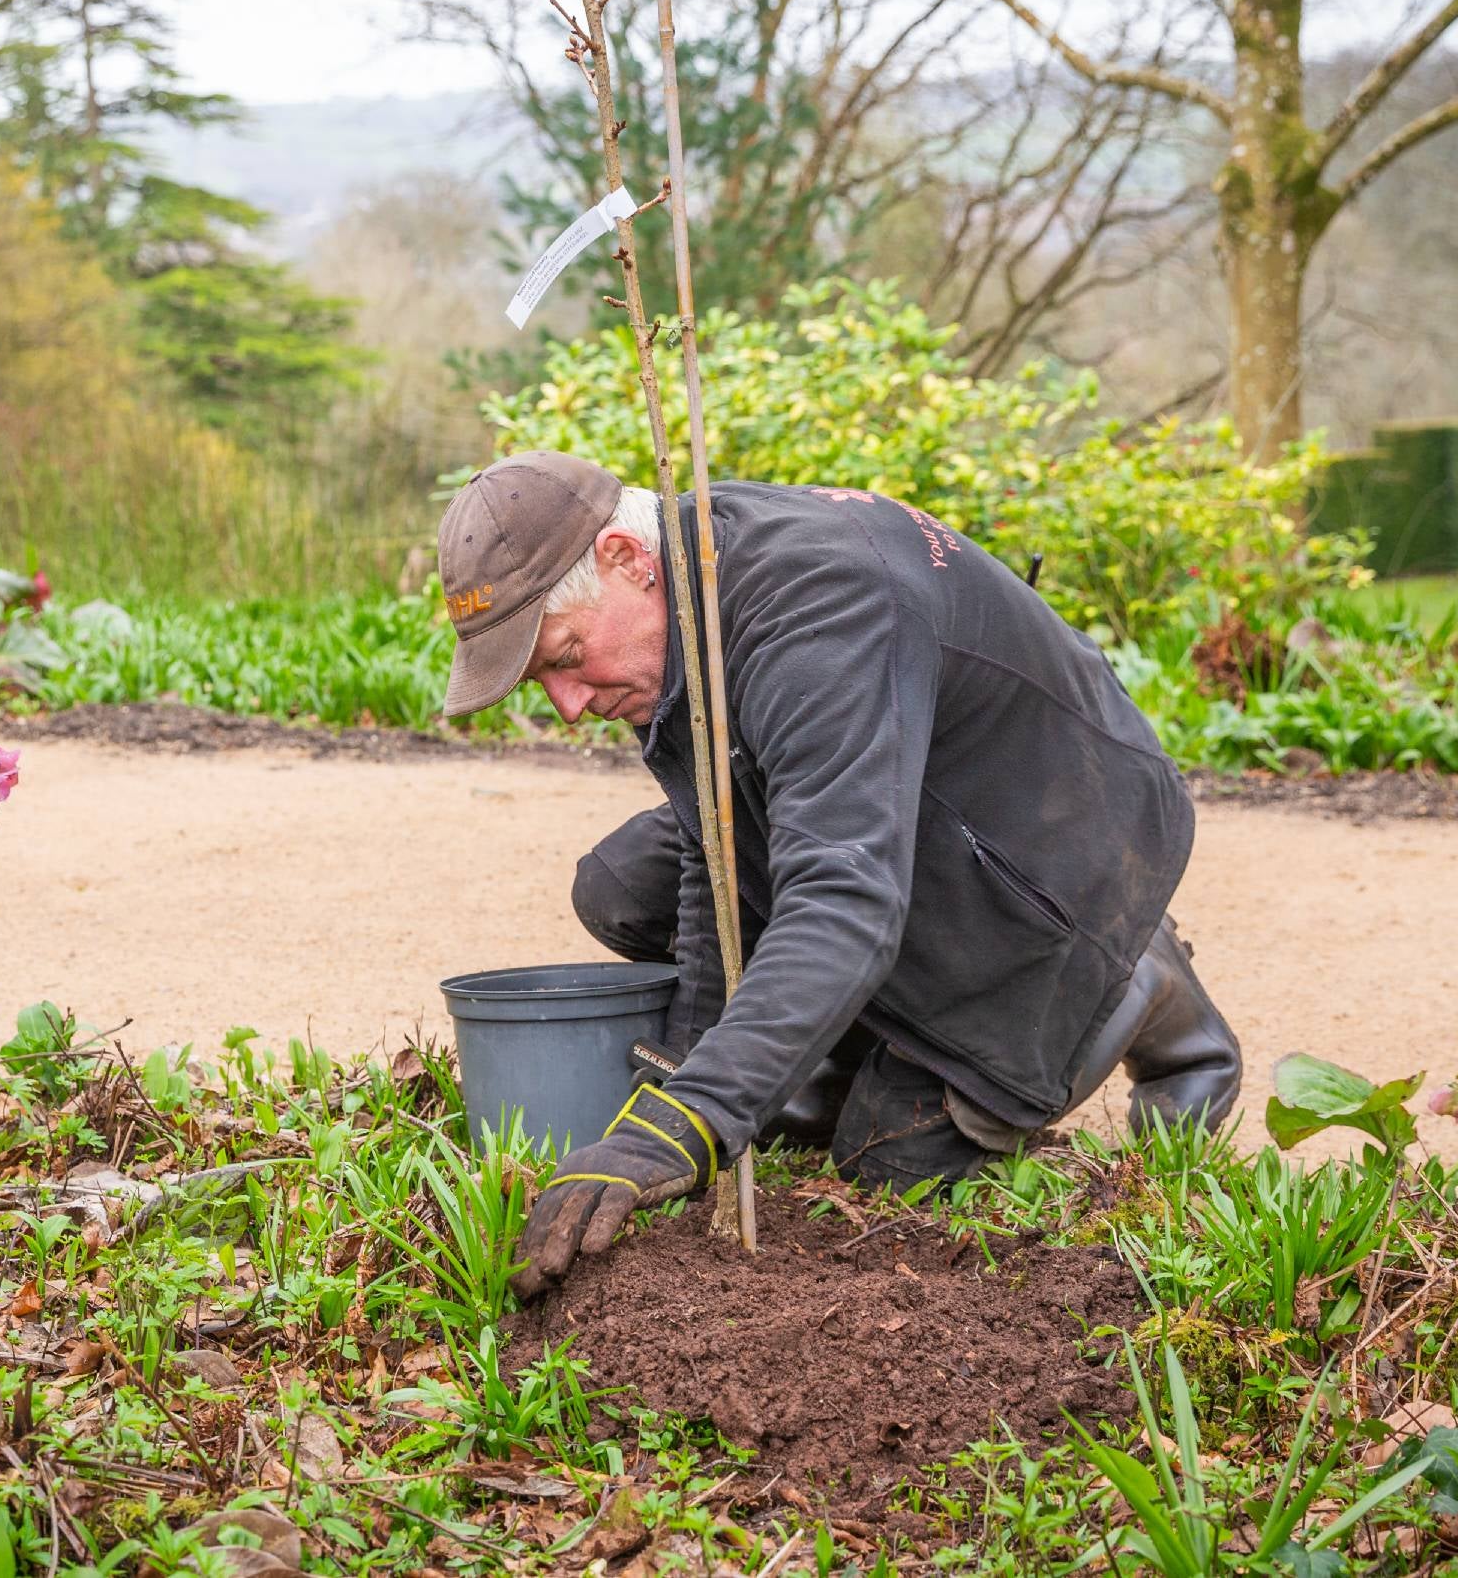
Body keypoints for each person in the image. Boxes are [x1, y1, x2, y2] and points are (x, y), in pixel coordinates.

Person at [436, 451, 1243, 1297]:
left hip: (1054, 846)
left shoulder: (818, 610)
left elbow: (843, 899)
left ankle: (1130, 969)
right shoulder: (683, 590)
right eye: (543, 680)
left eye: (564, 655)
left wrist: (684, 1125)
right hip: (905, 803)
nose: (567, 705)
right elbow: (715, 847)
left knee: (886, 1161)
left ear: (624, 559)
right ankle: (869, 1017)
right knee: (620, 887)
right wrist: (687, 1069)